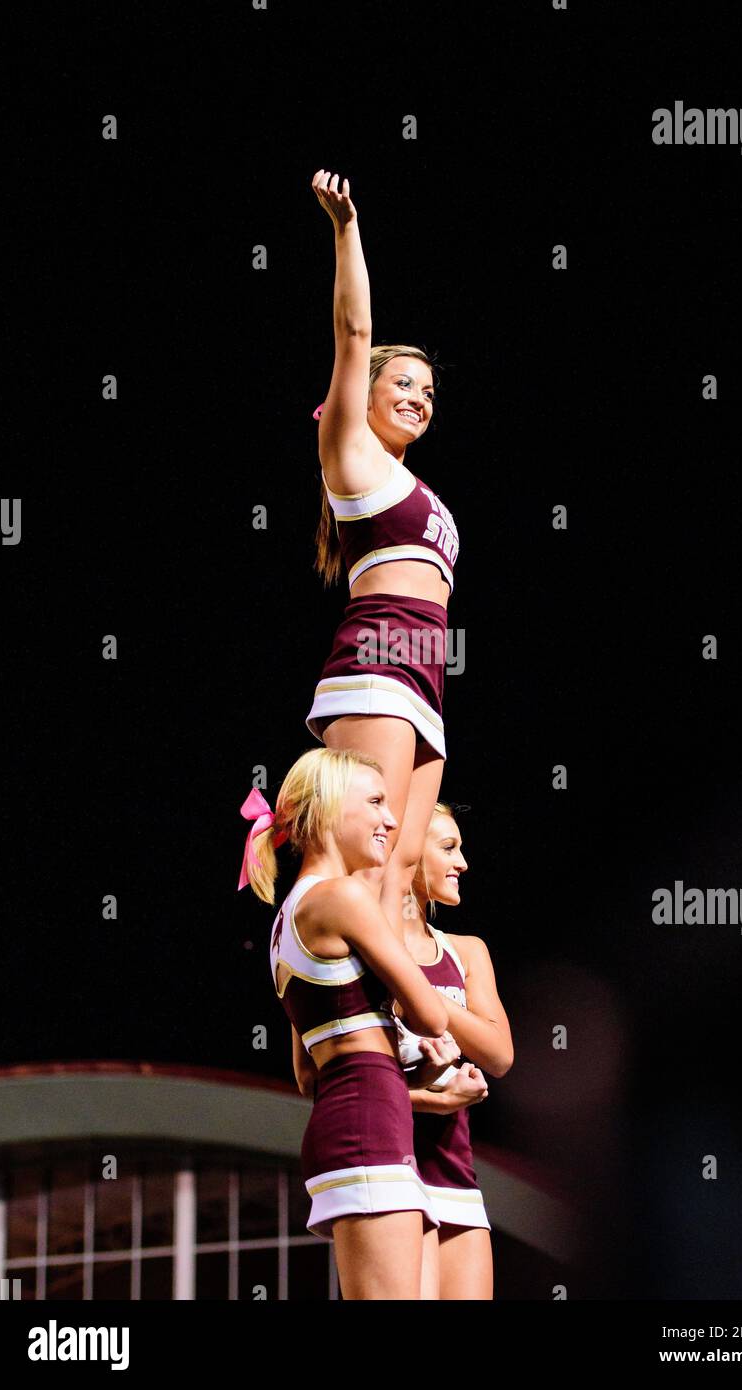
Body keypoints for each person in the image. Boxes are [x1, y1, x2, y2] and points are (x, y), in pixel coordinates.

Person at [237, 746, 455, 1300]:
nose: (390, 819)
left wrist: (411, 1076)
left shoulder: (288, 915)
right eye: (377, 802)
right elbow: (430, 1013)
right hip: (367, 1131)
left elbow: (311, 1073)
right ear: (332, 810)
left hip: (360, 1121)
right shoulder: (341, 899)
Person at [306, 168, 460, 939]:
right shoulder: (352, 456)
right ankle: (343, 1029)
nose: (420, 399)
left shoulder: (416, 484)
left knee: (403, 869)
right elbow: (354, 333)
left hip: (426, 670)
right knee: (364, 861)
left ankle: (401, 1036)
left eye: (430, 392)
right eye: (404, 383)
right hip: (377, 660)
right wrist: (345, 228)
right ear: (360, 394)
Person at [397, 802, 514, 1299]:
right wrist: (435, 1099)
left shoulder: (466, 951)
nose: (462, 862)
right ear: (406, 853)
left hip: (454, 1171)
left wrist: (422, 1001)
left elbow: (499, 1054)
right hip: (392, 1169)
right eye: (448, 847)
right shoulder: (361, 945)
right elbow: (327, 1084)